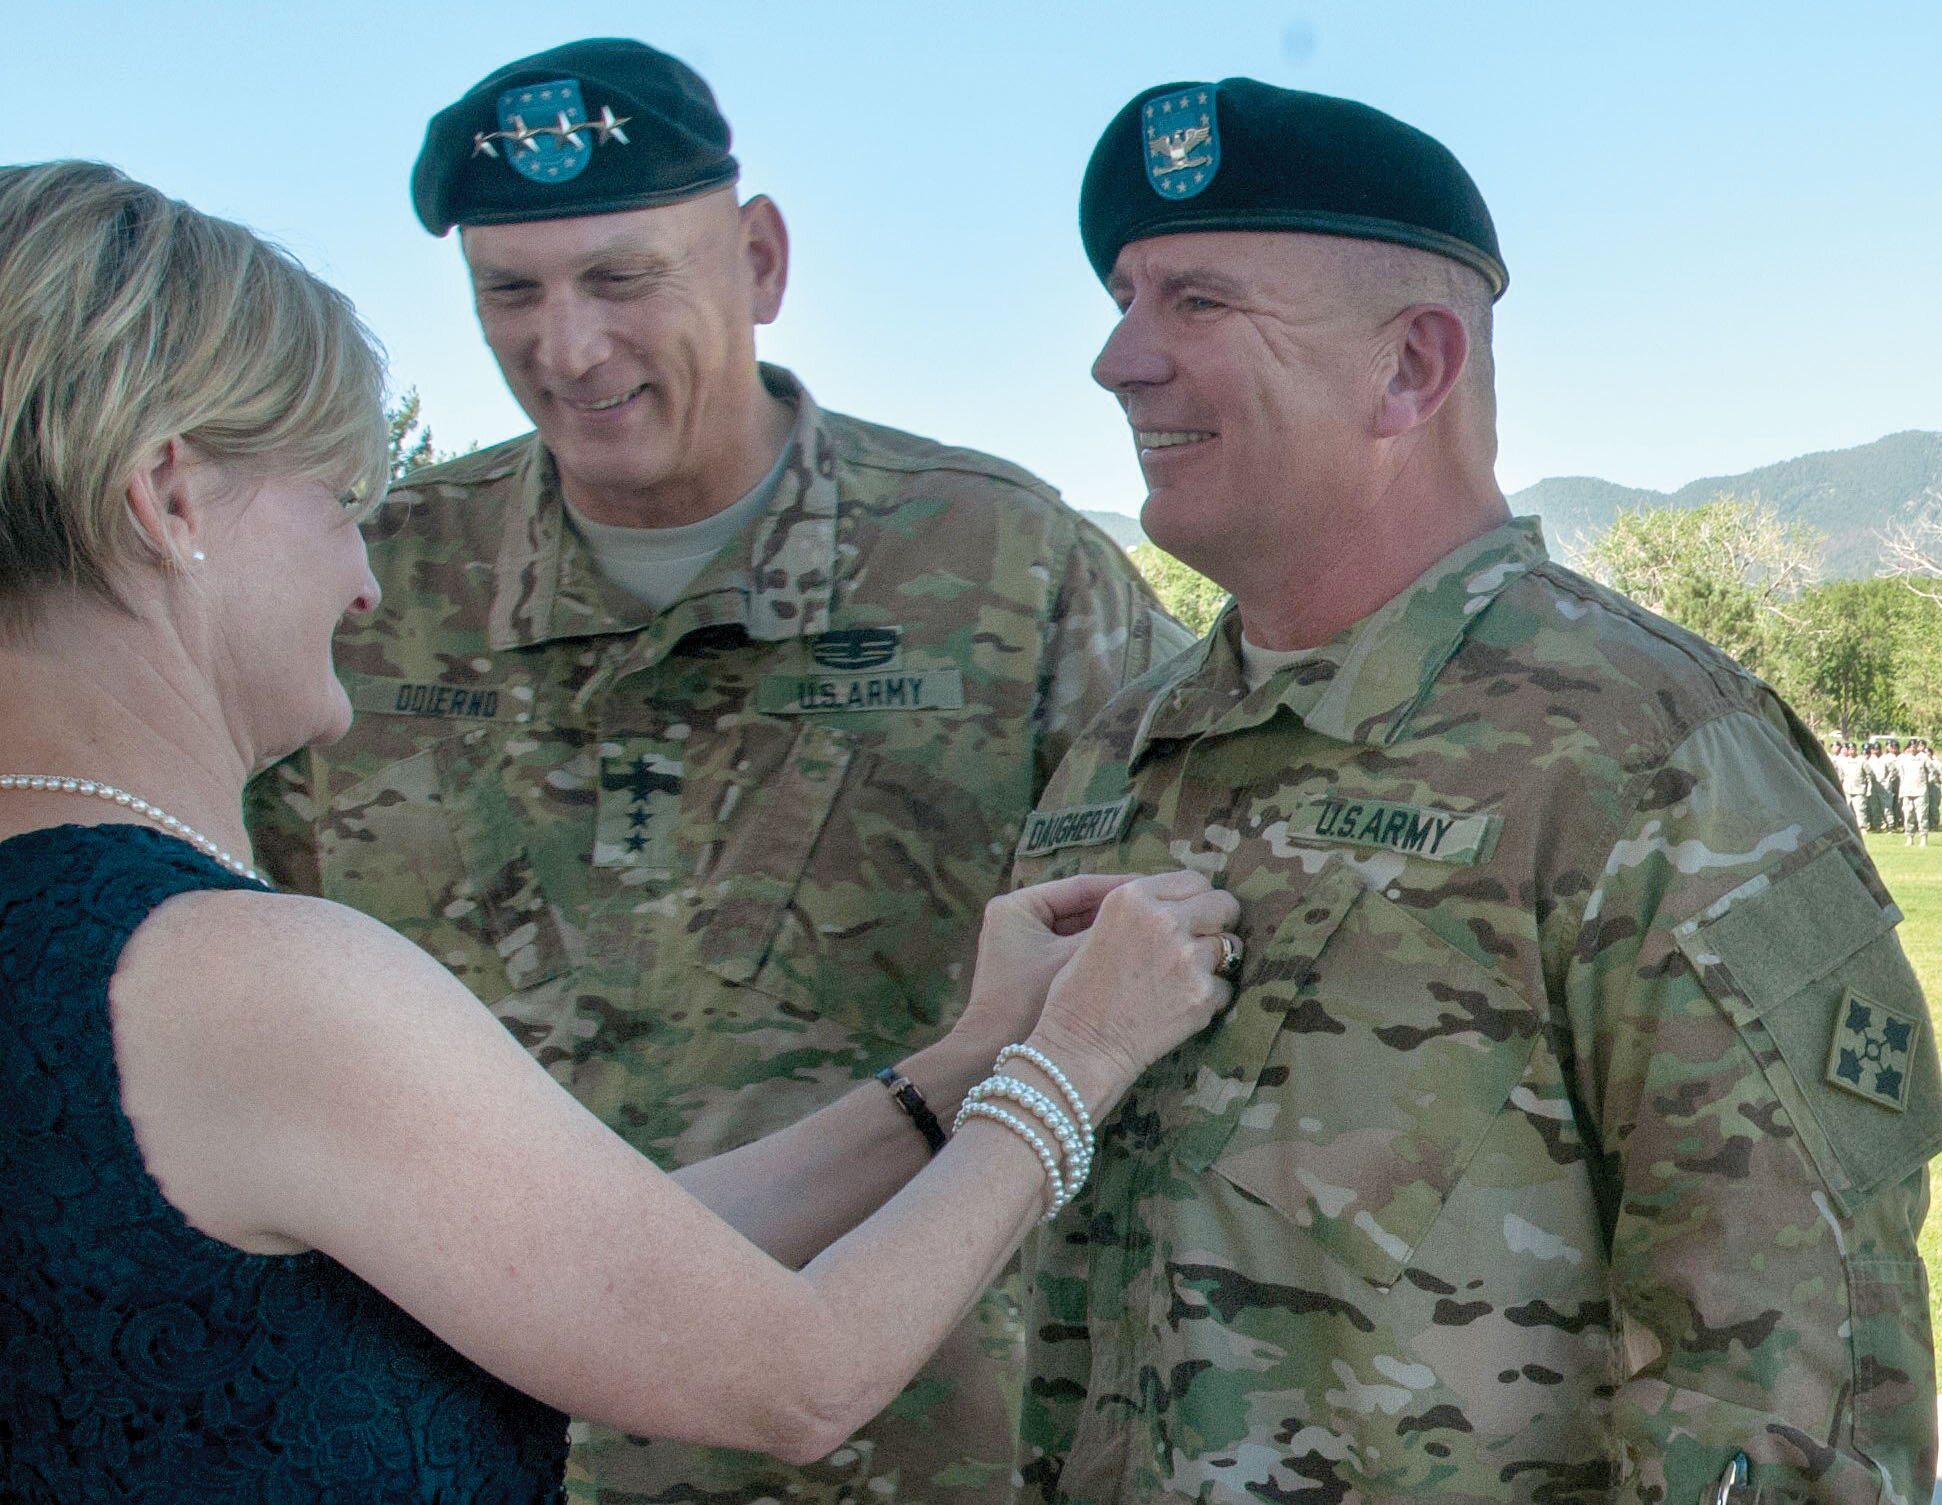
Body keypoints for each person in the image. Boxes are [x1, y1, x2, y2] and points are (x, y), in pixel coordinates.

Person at [0, 160, 1242, 1503]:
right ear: (170, 497)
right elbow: (799, 1374)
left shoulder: (85, 938)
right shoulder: (244, 977)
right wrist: (1078, 1053)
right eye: (338, 505)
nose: (368, 585)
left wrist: (953, 1075)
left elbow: (596, 1263)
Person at [1010, 80, 1940, 1504]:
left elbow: (1791, 1369)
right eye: (1126, 295)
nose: (1116, 359)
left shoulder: (1650, 755)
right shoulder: (1119, 757)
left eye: (1194, 302)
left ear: (1410, 367)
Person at [1897, 738, 1934, 845]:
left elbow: (1932, 771)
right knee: (1908, 815)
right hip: (1907, 791)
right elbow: (1901, 775)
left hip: (1920, 791)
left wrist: (1928, 782)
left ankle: (1923, 837)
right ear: (1909, 747)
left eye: (1915, 746)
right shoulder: (1904, 759)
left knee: (1922, 815)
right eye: (1911, 746)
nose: (1913, 748)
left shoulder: (1923, 758)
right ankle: (1909, 837)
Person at [1834, 739, 1871, 832]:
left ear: (1856, 750)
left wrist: (1868, 786)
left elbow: (1870, 774)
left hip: (1859, 789)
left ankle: (1862, 827)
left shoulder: (1861, 761)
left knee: (1860, 809)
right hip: (1847, 789)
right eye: (1849, 749)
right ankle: (1849, 827)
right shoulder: (1843, 762)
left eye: (1853, 749)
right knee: (1847, 809)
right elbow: (1840, 776)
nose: (1851, 751)